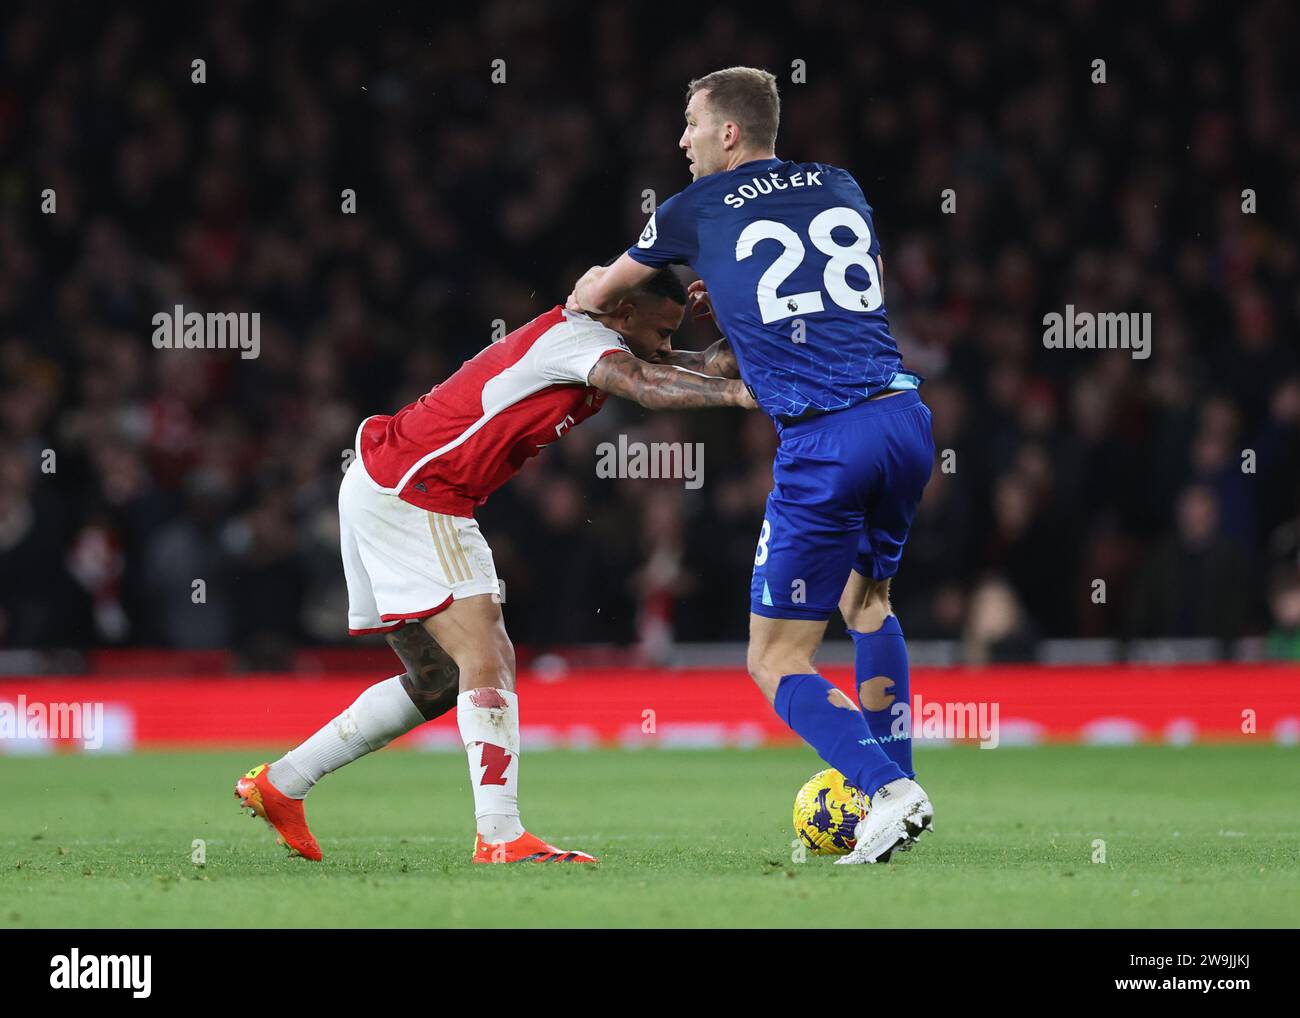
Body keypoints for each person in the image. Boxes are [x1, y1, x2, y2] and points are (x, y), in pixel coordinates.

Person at [236, 268, 753, 863]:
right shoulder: (580, 341)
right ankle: (501, 834)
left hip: (386, 480)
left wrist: (743, 330)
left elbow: (698, 366)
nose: (667, 343)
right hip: (418, 491)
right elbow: (648, 385)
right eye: (662, 330)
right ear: (626, 313)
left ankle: (281, 783)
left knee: (441, 682)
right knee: (488, 653)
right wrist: (742, 397)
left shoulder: (607, 341)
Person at [570, 67, 935, 864]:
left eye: (692, 124)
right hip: (905, 419)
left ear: (729, 132)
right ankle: (896, 793)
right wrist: (735, 312)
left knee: (773, 658)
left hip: (826, 439)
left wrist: (579, 311)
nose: (682, 140)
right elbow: (813, 305)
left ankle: (889, 789)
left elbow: (595, 296)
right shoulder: (840, 184)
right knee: (868, 603)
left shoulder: (691, 210)